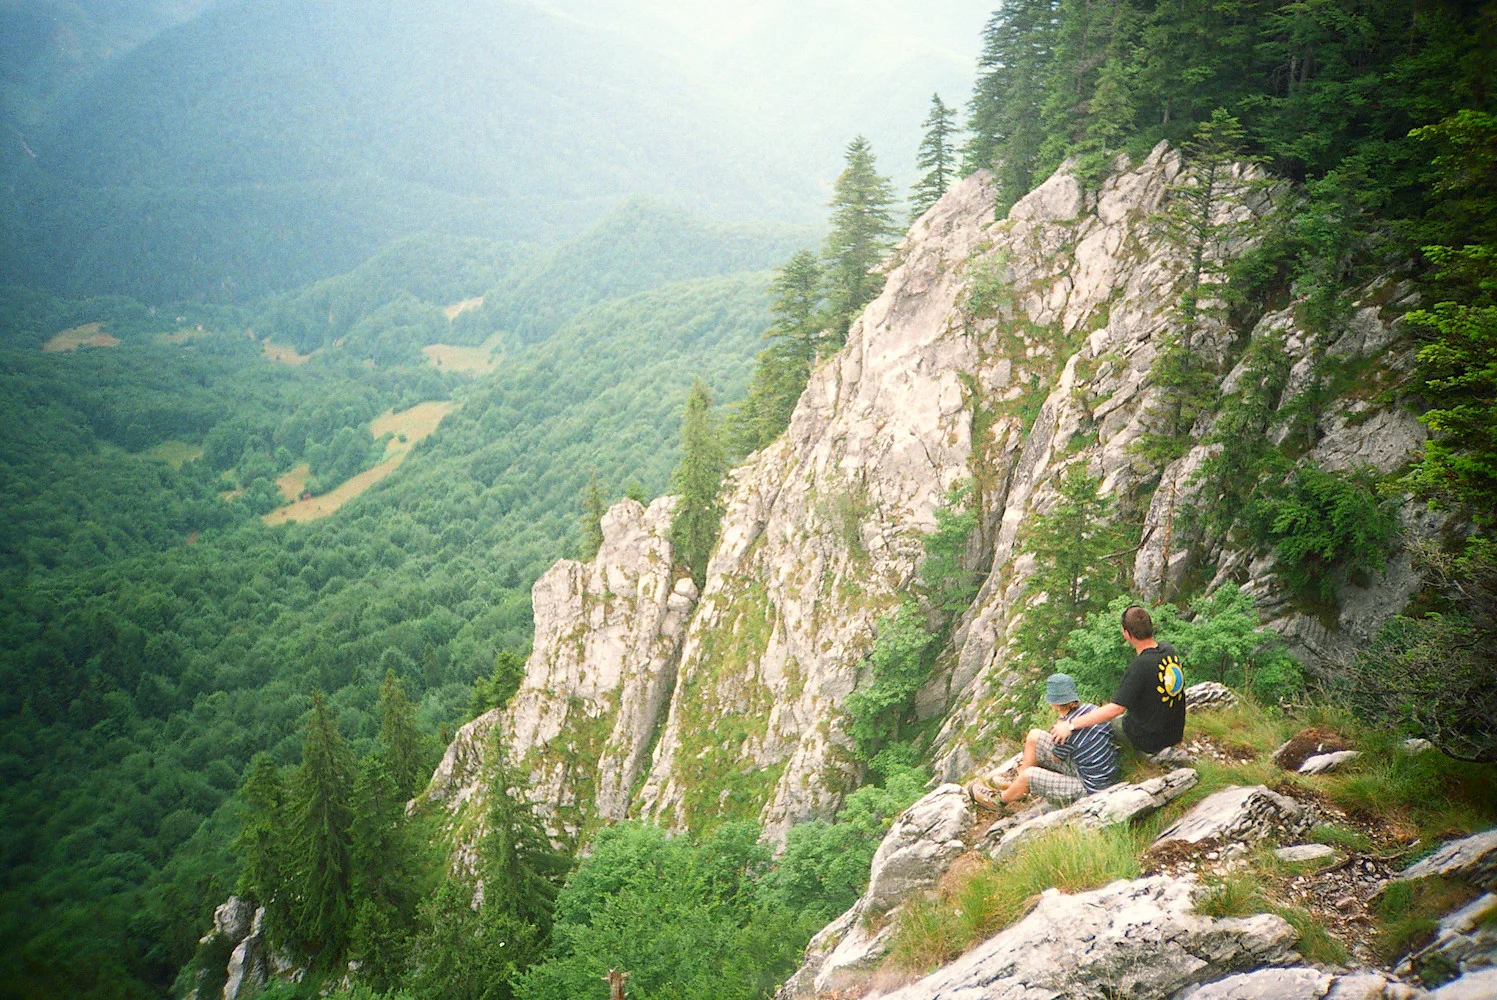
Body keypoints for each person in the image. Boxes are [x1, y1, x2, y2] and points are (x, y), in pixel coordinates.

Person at [1049, 604, 1186, 756]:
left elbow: (1116, 709)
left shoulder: (1139, 666)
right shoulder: (1168, 650)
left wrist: (1070, 724)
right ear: (1151, 626)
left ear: (1126, 633)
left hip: (1150, 740)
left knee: (1100, 727)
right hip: (1174, 733)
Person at [969, 672, 1120, 810]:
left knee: (1030, 775)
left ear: (1053, 703)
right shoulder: (1091, 710)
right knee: (1034, 736)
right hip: (1101, 771)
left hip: (1090, 787)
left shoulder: (1063, 732)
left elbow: (1056, 757)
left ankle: (999, 800)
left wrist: (1058, 729)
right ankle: (1017, 785)